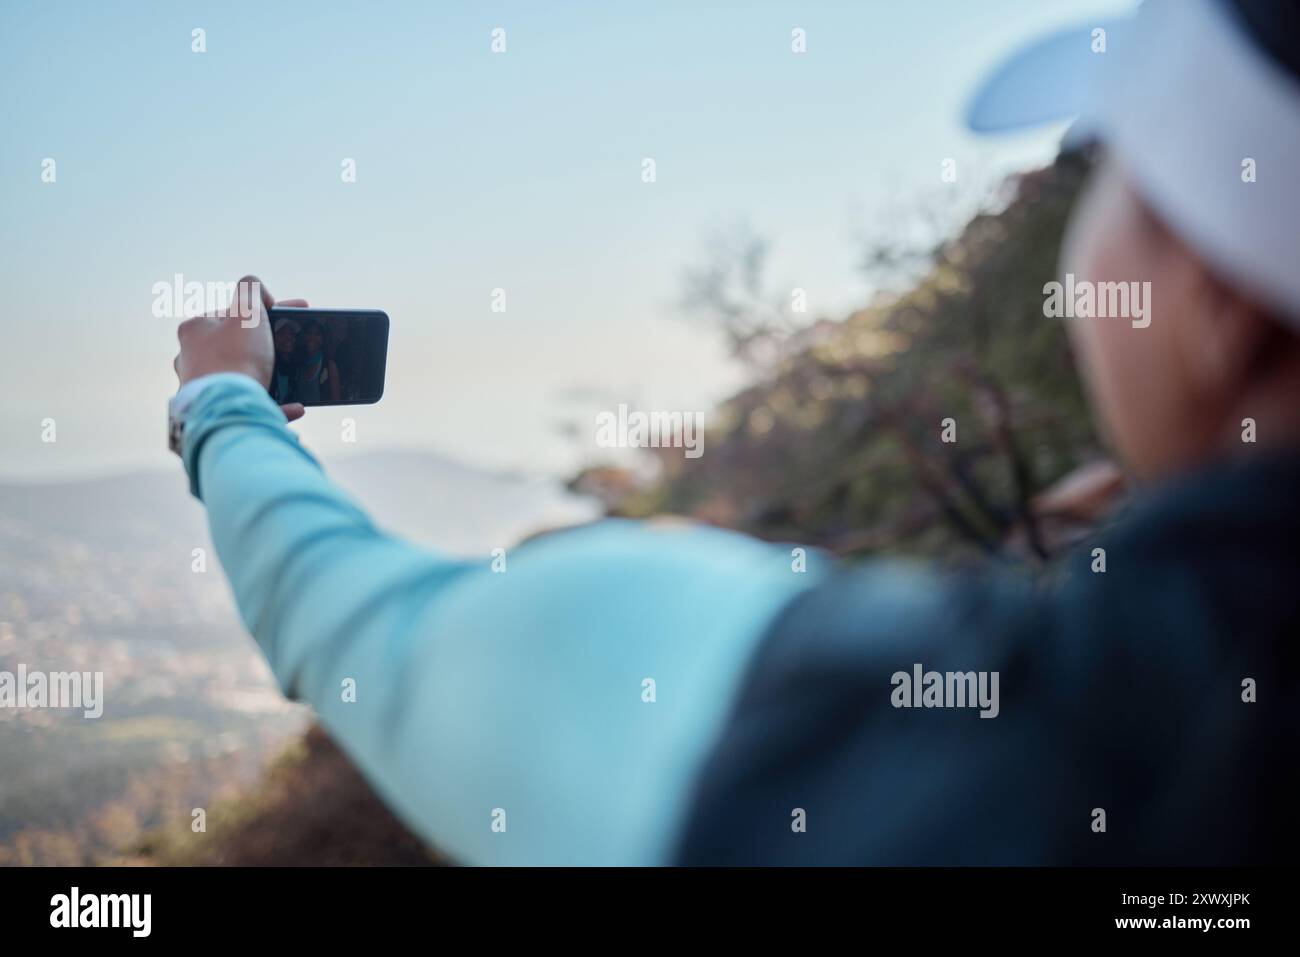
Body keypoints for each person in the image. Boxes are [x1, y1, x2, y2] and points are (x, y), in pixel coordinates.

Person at [167, 0, 1298, 865]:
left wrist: (225, 400)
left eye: (1101, 166)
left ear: (1215, 308)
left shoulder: (897, 720)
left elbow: (361, 628)